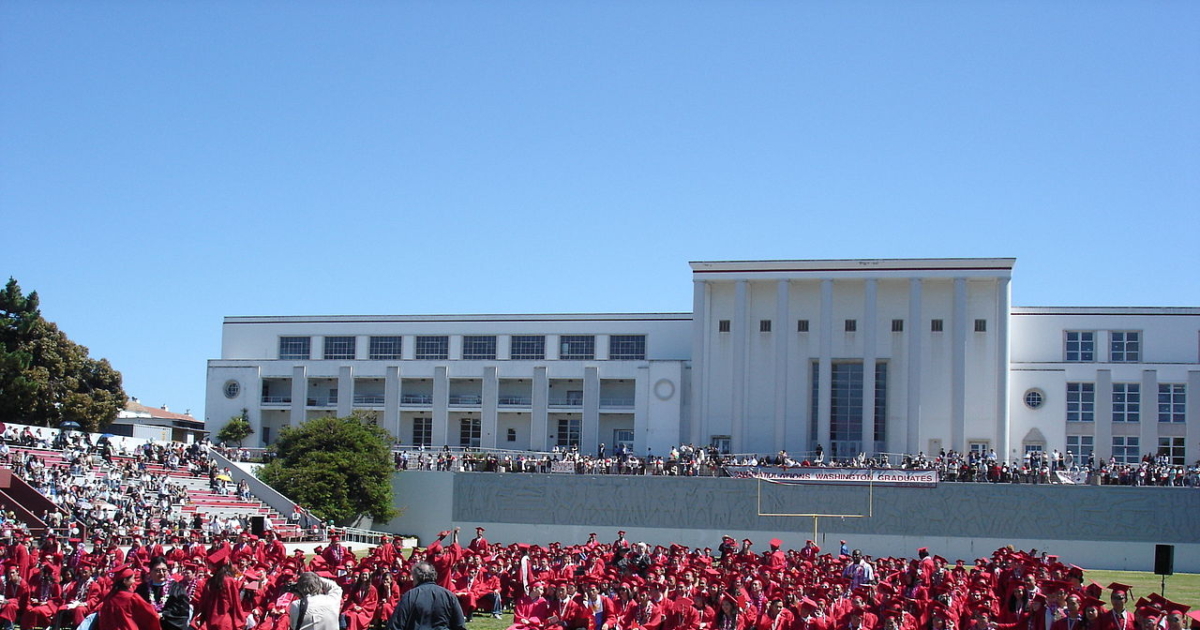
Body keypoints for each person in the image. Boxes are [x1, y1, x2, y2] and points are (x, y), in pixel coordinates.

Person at [385, 561, 467, 630]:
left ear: (416, 577)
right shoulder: (449, 596)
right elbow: (459, 625)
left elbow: (395, 626)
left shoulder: (410, 596)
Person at [95, 565, 163, 630]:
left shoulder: (109, 598)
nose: (134, 581)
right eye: (133, 578)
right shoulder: (132, 598)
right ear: (125, 581)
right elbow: (150, 614)